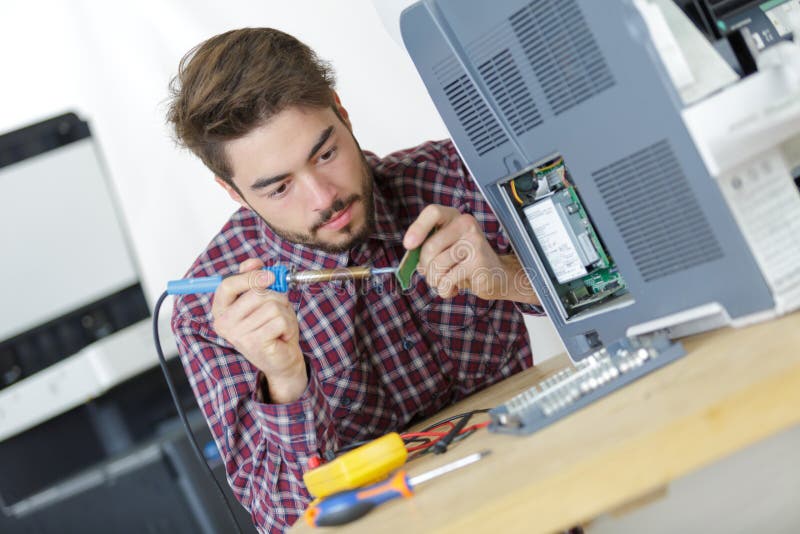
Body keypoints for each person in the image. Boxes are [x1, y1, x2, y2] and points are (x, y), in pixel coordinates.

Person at [166, 27, 542, 533]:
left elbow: (622, 289)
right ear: (233, 192)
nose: (324, 198)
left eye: (325, 155)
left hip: (534, 493)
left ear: (342, 113)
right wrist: (285, 380)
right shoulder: (210, 313)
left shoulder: (452, 177)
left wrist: (510, 277)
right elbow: (284, 520)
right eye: (279, 188)